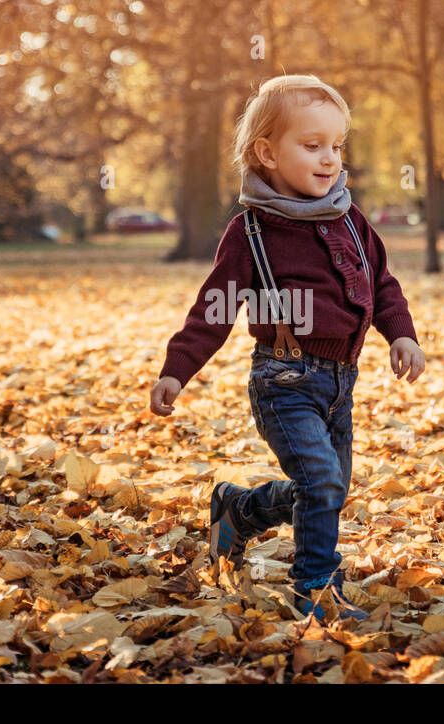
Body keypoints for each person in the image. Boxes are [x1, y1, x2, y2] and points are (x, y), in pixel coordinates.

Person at [149, 75, 426, 622]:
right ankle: (317, 590)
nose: (329, 159)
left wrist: (402, 333)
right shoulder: (252, 230)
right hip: (284, 381)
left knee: (325, 490)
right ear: (267, 152)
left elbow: (382, 284)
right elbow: (216, 306)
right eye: (312, 145)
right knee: (320, 482)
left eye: (337, 146)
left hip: (340, 384)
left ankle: (237, 510)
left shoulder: (350, 220)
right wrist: (177, 369)